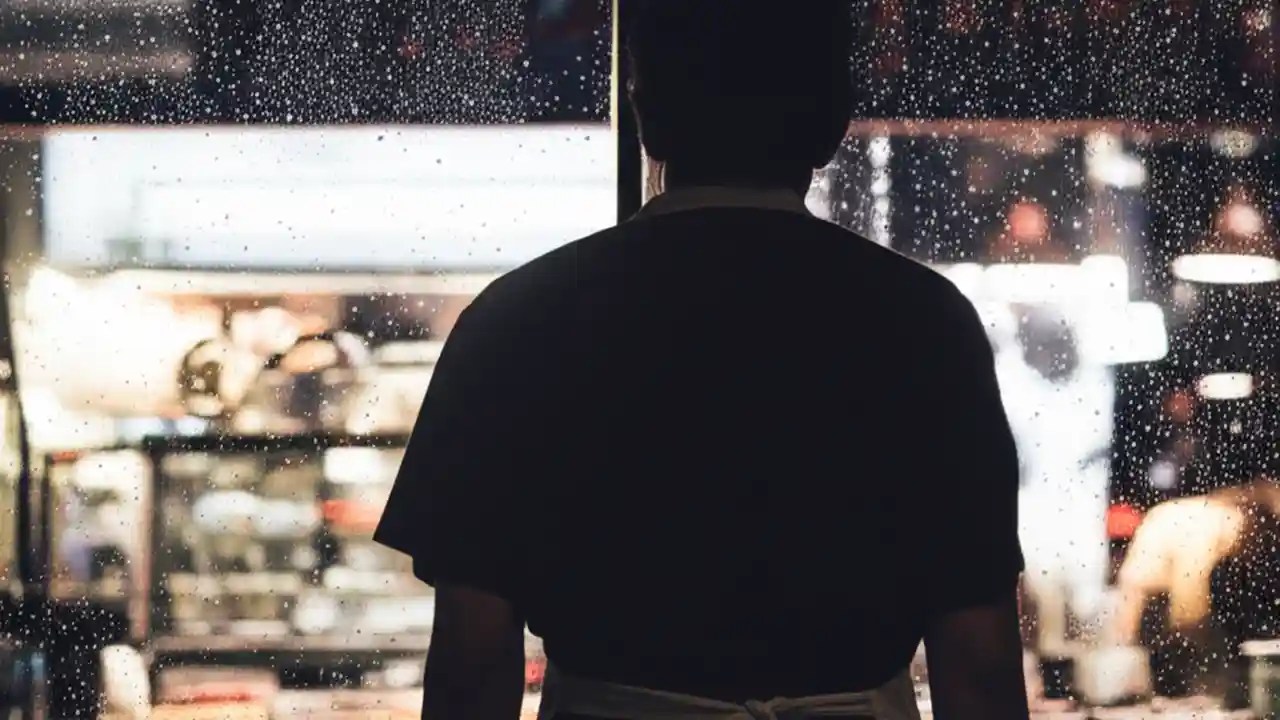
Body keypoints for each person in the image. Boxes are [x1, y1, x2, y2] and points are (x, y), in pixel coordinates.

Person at [375, 3, 1029, 719]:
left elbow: (471, 661)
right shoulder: (928, 324)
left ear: (645, 115)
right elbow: (982, 665)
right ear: (833, 124)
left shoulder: (514, 319)